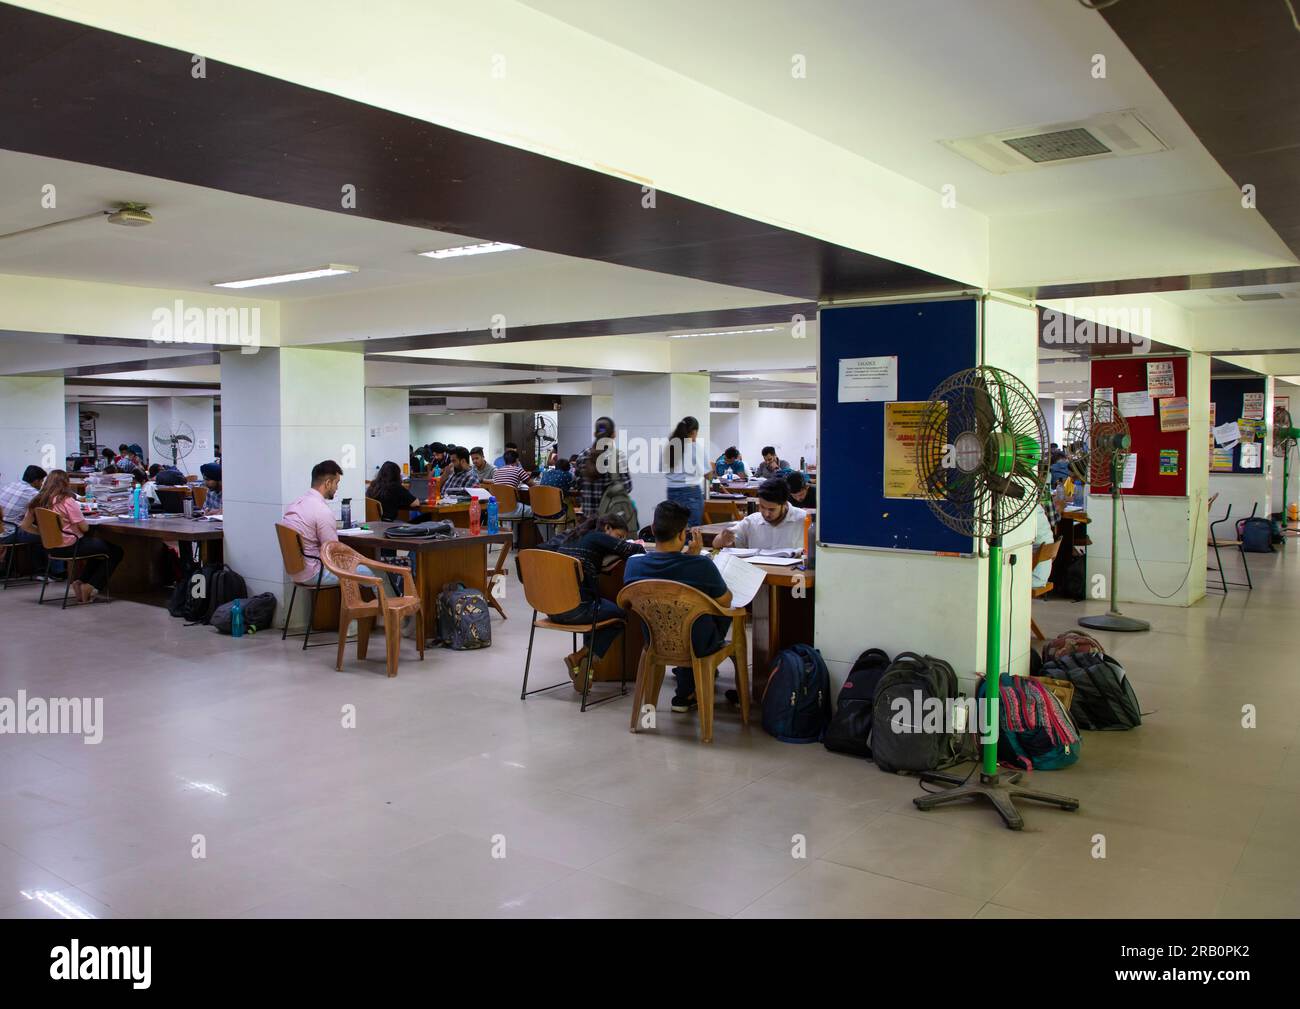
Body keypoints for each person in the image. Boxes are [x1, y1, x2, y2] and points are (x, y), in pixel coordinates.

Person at [624, 500, 733, 713]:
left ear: (653, 529)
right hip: (697, 645)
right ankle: (690, 683)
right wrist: (693, 560)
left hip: (654, 640)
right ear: (684, 535)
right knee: (718, 612)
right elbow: (726, 601)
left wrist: (688, 561)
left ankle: (685, 688)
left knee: (684, 613)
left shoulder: (633, 564)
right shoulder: (701, 565)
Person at [546, 513, 645, 689]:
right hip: (578, 610)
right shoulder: (597, 537)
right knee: (619, 616)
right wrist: (629, 544)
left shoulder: (572, 537)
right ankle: (579, 656)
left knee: (597, 611)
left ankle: (586, 666)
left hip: (552, 609)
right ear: (607, 528)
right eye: (619, 536)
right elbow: (634, 551)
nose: (620, 541)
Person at [284, 460, 391, 595]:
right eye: (337, 483)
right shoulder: (321, 510)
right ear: (328, 483)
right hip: (315, 573)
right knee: (374, 574)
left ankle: (355, 616)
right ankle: (389, 613)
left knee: (355, 568)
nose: (337, 487)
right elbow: (334, 552)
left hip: (295, 572)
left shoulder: (294, 505)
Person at [20, 469, 122, 603]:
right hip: (70, 545)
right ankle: (91, 585)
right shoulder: (66, 500)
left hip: (51, 547)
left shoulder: (37, 501)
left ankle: (81, 582)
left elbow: (25, 525)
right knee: (115, 551)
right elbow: (84, 528)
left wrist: (45, 533)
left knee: (97, 550)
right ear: (65, 483)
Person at [711, 477, 807, 551]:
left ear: (784, 504)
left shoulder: (803, 519)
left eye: (772, 509)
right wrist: (722, 539)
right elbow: (715, 544)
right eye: (762, 507)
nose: (766, 514)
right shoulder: (751, 521)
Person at [572, 417, 632, 519]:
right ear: (614, 434)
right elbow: (627, 487)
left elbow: (577, 484)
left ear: (595, 434)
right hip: (609, 521)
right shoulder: (617, 457)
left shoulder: (583, 455)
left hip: (588, 519)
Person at [0, 465, 48, 571]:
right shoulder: (33, 493)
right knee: (47, 535)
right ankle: (48, 571)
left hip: (2, 528)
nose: (41, 484)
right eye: (41, 481)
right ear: (36, 481)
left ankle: (38, 568)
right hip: (9, 533)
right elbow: (45, 510)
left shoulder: (10, 485)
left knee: (33, 530)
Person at [664, 415, 708, 527]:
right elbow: (708, 474)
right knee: (691, 530)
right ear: (693, 432)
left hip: (672, 491)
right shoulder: (695, 447)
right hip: (690, 492)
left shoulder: (670, 447)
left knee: (675, 528)